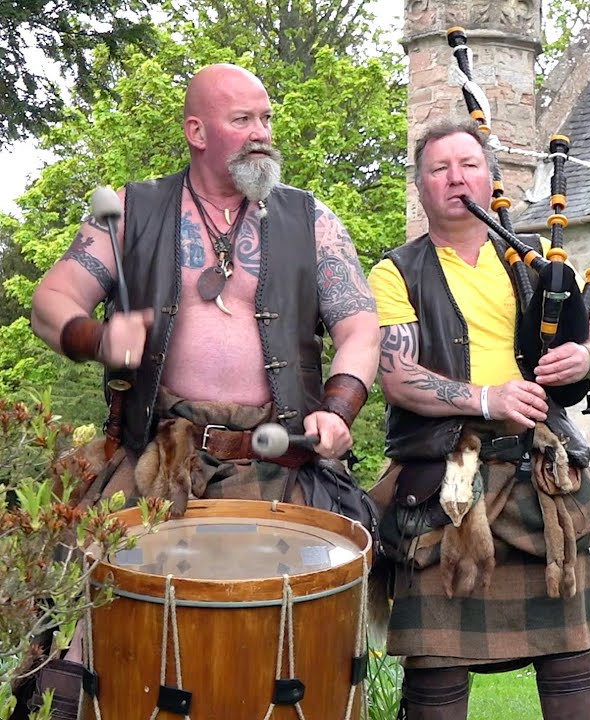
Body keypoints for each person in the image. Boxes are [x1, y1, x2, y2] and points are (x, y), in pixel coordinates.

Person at [22, 63, 379, 719]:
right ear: (196, 130)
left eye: (266, 118)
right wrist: (94, 338)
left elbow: (360, 324)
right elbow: (51, 301)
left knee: (286, 655)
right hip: (158, 464)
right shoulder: (134, 211)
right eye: (242, 119)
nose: (262, 133)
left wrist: (341, 406)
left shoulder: (311, 218)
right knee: (81, 641)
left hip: (277, 465)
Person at [368, 119, 590, 720]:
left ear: (489, 177)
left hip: (541, 476)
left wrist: (585, 356)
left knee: (572, 666)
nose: (457, 178)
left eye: (469, 165)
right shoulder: (395, 272)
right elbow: (397, 375)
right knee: (437, 673)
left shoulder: (532, 264)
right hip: (448, 481)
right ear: (421, 187)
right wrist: (487, 399)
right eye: (439, 168)